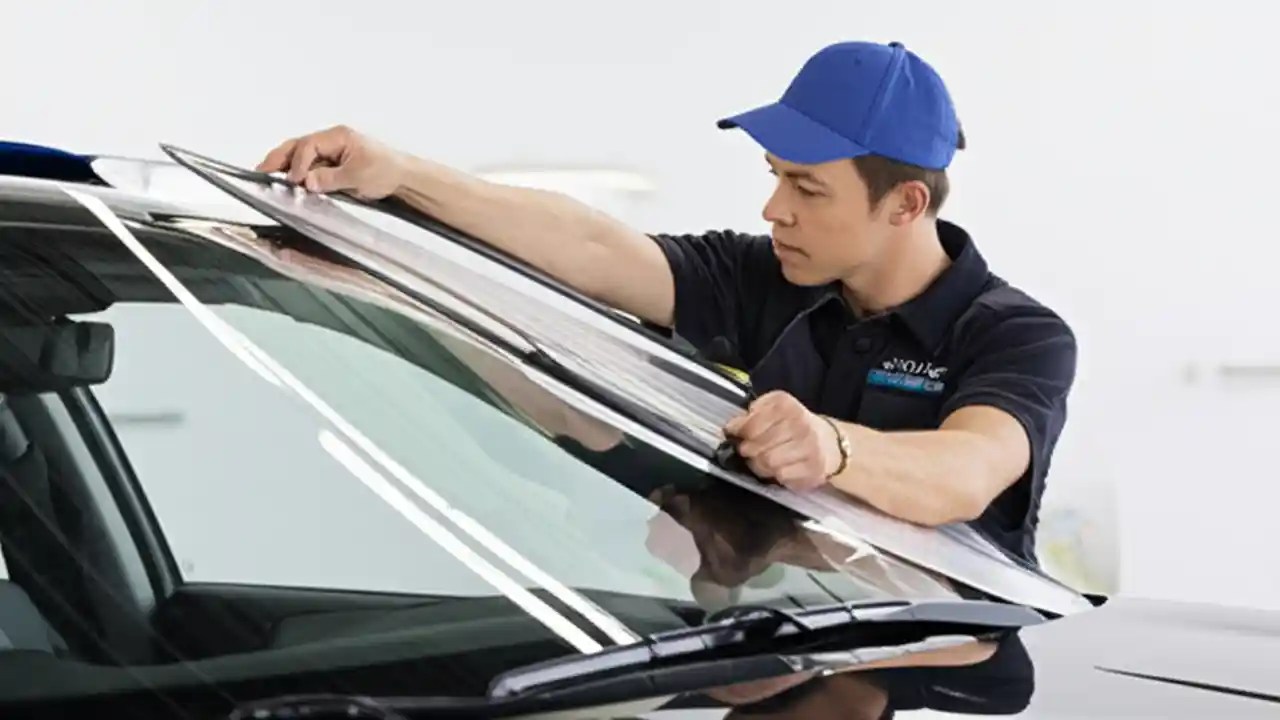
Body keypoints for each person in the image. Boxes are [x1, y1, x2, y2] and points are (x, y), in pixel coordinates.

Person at [256, 40, 1076, 565]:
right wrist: (400, 174)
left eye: (806, 187)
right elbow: (594, 249)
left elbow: (967, 471)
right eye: (773, 177)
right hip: (767, 647)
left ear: (904, 205)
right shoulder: (767, 279)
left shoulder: (1016, 336)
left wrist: (831, 447)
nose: (774, 211)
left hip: (936, 671)